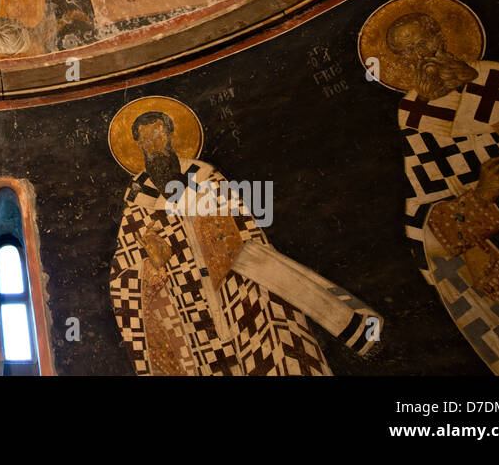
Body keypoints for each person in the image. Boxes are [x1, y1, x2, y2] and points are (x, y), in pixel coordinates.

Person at [361, 0, 499, 374]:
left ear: (441, 36)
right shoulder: (414, 117)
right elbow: (423, 216)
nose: (420, 58)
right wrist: (479, 198)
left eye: (423, 44)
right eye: (406, 53)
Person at [109, 98, 381, 375]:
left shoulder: (205, 177)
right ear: (138, 145)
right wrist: (152, 265)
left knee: (271, 350)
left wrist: (218, 238)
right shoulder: (137, 199)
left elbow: (246, 230)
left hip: (237, 290)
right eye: (146, 140)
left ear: (170, 136)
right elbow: (123, 274)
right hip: (186, 315)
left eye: (158, 135)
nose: (155, 145)